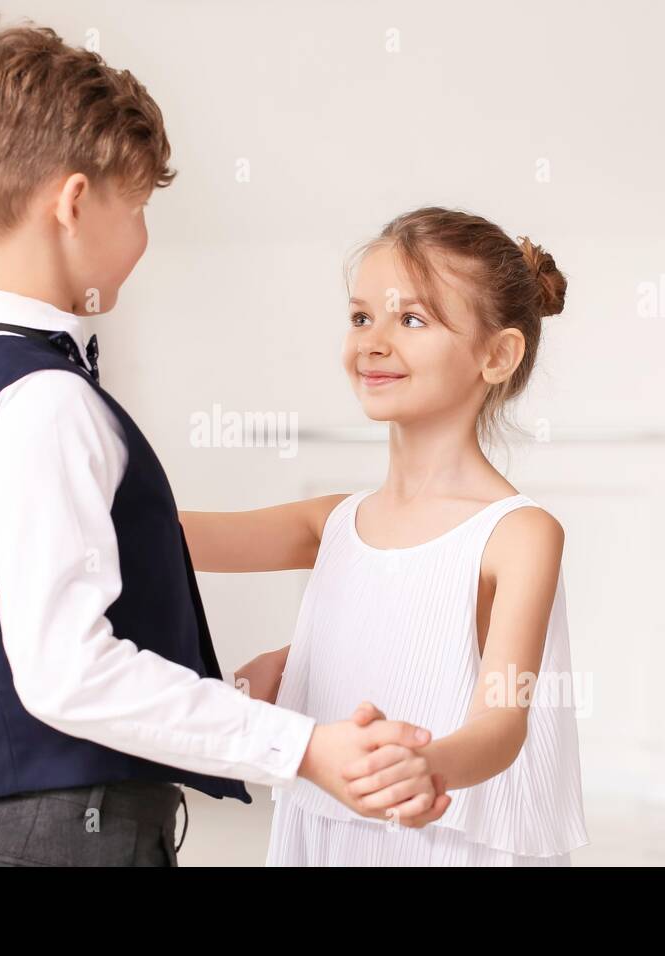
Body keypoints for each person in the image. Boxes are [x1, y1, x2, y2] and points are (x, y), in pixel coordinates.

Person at [0, 18, 448, 868]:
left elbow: (26, 634)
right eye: (137, 207)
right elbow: (69, 674)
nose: (142, 237)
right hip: (52, 844)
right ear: (73, 203)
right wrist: (304, 748)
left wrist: (233, 693)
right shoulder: (46, 401)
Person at [183, 207, 591, 865]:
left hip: (443, 836)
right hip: (324, 828)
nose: (372, 341)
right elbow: (162, 535)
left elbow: (503, 720)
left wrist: (425, 765)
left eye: (412, 319)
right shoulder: (330, 522)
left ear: (497, 354)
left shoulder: (520, 535)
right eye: (361, 316)